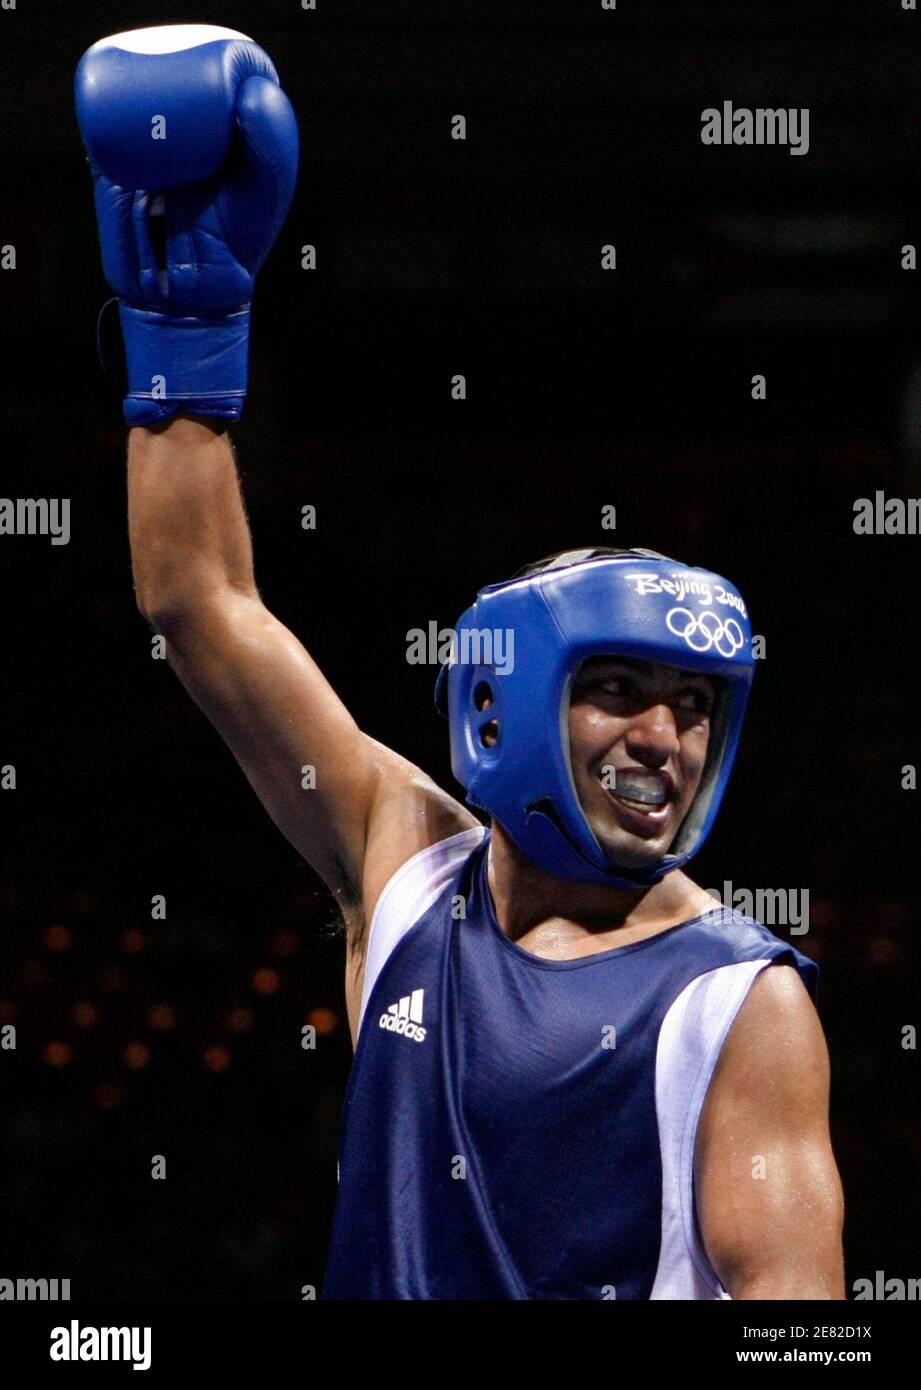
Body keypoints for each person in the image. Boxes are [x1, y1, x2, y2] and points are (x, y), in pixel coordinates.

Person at [76, 24, 845, 1301]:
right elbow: (199, 603)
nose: (666, 735)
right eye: (619, 690)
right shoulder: (402, 861)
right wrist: (183, 329)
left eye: (696, 705)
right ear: (502, 705)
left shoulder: (739, 1004)